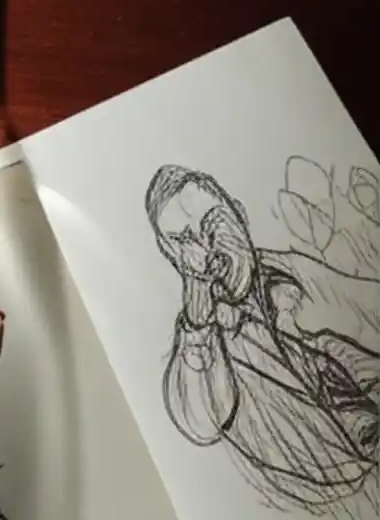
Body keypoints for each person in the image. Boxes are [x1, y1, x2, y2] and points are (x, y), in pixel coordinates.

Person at [145, 164, 380, 515]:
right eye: (183, 241)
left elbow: (367, 308)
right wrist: (198, 307)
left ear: (239, 215)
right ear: (172, 259)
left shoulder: (296, 276)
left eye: (212, 223)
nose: (204, 248)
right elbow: (199, 422)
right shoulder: (201, 341)